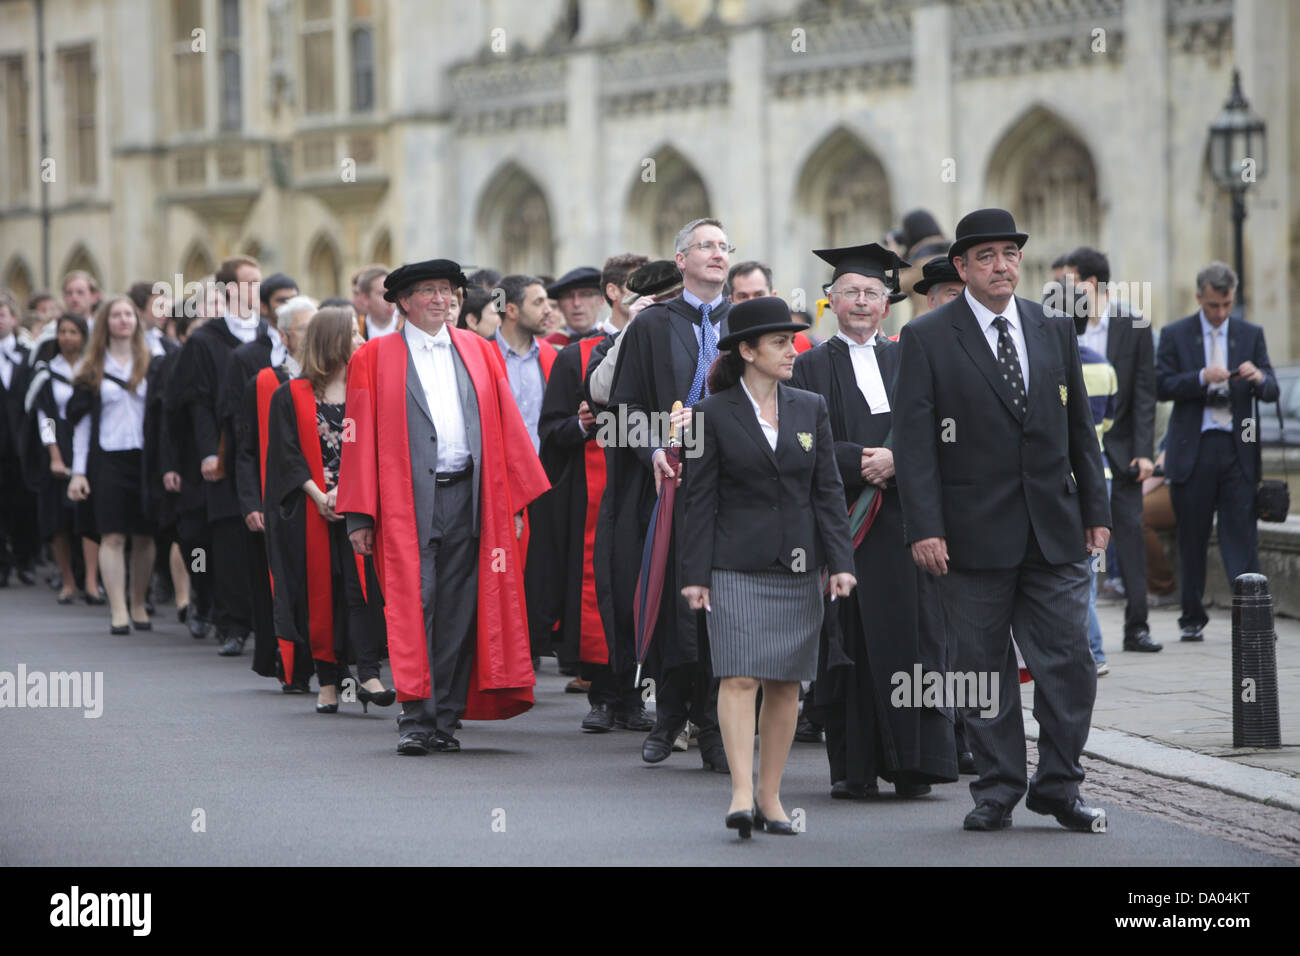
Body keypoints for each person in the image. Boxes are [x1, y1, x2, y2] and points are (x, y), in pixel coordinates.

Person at [893, 208, 1111, 833]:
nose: (1001, 266)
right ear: (961, 268)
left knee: (1068, 665)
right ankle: (996, 789)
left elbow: (1080, 433)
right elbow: (913, 446)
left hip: (1055, 531)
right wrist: (925, 528)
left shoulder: (1052, 329)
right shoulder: (929, 337)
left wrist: (1096, 510)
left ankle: (1060, 786)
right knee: (981, 671)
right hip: (968, 537)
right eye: (985, 256)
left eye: (1010, 254)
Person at [338, 258, 550, 755]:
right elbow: (357, 440)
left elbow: (506, 428)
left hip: (471, 496)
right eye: (429, 291)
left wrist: (512, 505)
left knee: (459, 609)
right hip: (404, 501)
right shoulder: (372, 357)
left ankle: (446, 716)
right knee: (416, 602)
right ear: (404, 301)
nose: (441, 299)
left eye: (447, 291)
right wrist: (359, 514)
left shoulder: (478, 350)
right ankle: (415, 713)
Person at [681, 296, 855, 837]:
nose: (792, 350)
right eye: (780, 342)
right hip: (734, 565)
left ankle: (770, 796)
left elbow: (827, 491)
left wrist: (841, 562)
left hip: (799, 567)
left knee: (786, 684)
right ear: (748, 350)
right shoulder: (710, 414)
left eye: (793, 340)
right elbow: (698, 500)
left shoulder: (810, 408)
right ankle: (738, 792)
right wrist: (694, 575)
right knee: (738, 676)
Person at [791, 243, 959, 800]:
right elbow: (801, 441)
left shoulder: (910, 355)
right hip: (849, 526)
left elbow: (939, 431)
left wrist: (897, 462)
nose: (861, 302)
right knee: (855, 644)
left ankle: (916, 765)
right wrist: (859, 461)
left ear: (886, 304)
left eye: (871, 293)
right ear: (830, 302)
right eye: (849, 293)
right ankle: (856, 768)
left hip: (909, 525)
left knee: (918, 640)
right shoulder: (810, 364)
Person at [608, 217, 735, 773]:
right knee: (675, 602)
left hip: (733, 485)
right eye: (704, 246)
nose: (716, 254)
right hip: (673, 481)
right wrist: (654, 449)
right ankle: (669, 715)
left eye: (723, 247)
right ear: (679, 260)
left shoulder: (744, 322)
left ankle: (712, 724)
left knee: (720, 607)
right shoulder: (653, 325)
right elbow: (623, 408)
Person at [538, 252, 652, 731]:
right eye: (637, 286)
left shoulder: (660, 343)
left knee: (641, 590)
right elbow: (551, 430)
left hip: (647, 483)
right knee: (600, 588)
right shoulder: (577, 355)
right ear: (614, 293)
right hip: (594, 490)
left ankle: (637, 695)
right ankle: (605, 696)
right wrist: (580, 426)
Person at [264, 307, 394, 715]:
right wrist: (320, 496)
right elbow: (285, 457)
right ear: (332, 342)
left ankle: (369, 673)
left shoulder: (366, 388)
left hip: (360, 505)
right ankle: (328, 681)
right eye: (352, 336)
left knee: (363, 592)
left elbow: (380, 447)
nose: (360, 342)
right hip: (313, 510)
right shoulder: (290, 394)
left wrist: (350, 491)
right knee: (324, 593)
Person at [1156, 261, 1279, 643]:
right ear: (1199, 298)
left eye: (1225, 305)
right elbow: (1160, 385)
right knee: (1191, 538)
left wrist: (1259, 378)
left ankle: (1253, 618)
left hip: (1238, 448)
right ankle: (1192, 617)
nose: (1220, 313)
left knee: (1241, 536)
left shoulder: (1250, 334)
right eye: (1212, 305)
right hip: (1193, 449)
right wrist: (1198, 378)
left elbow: (1273, 389)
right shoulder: (1176, 334)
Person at [1063, 247, 1161, 653]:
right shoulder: (1061, 321)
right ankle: (1081, 639)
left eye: (1070, 281)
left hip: (1121, 456)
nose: (1063, 289)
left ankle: (1136, 627)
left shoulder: (1134, 324)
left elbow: (1144, 392)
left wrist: (1143, 452)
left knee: (1131, 536)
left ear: (1089, 283)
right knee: (1080, 547)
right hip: (1077, 460)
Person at [168, 256, 264, 657]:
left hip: (260, 451)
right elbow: (197, 402)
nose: (256, 290)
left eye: (259, 283)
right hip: (220, 451)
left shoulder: (268, 336)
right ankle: (225, 616)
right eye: (248, 283)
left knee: (255, 540)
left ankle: (258, 621)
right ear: (228, 291)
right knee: (216, 542)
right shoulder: (205, 340)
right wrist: (209, 452)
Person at [227, 293, 315, 683]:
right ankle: (283, 659)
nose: (313, 336)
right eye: (305, 329)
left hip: (318, 496)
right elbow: (244, 449)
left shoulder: (328, 380)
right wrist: (250, 502)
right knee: (276, 580)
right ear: (283, 334)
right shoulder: (263, 381)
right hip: (273, 497)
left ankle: (324, 663)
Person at [67, 296, 160, 633]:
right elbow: (81, 425)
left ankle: (138, 602)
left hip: (145, 458)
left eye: (128, 315)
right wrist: (77, 471)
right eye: (116, 315)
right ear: (105, 322)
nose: (123, 320)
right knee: (112, 535)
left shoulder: (152, 362)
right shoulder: (91, 368)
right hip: (106, 458)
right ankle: (118, 608)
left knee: (145, 535)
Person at [23, 314, 89, 603]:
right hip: (58, 446)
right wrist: (54, 454)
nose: (67, 337)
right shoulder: (46, 373)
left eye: (73, 331)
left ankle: (91, 580)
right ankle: (68, 580)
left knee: (89, 518)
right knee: (57, 520)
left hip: (87, 446)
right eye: (62, 331)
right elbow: (44, 417)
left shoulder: (93, 370)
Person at [0, 291, 39, 586]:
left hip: (24, 443)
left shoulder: (29, 355)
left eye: (2, 315)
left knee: (25, 503)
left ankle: (26, 559)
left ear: (14, 319)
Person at [727, 261, 814, 352]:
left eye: (759, 295)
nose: (751, 303)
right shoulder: (721, 339)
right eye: (743, 296)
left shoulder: (799, 343)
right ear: (731, 300)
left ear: (773, 296)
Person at [544, 267, 604, 347]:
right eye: (568, 296)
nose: (576, 303)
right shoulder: (547, 347)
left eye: (585, 294)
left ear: (601, 301)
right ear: (559, 305)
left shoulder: (616, 341)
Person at [354, 265, 398, 340]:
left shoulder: (408, 328)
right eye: (383, 294)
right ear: (365, 299)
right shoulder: (356, 331)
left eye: (393, 293)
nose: (390, 300)